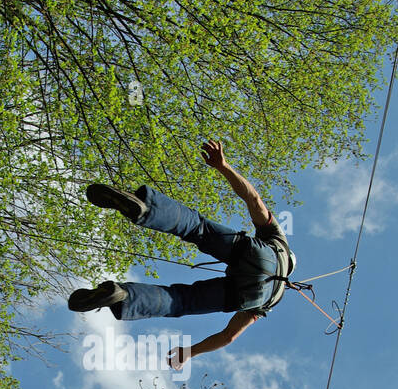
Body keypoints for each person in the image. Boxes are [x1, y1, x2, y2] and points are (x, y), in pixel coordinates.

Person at [68, 139, 295, 370]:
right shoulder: (268, 305)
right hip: (255, 297)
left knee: (196, 228)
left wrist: (222, 166)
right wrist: (189, 352)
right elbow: (228, 337)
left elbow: (254, 200)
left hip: (261, 253)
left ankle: (146, 209)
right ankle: (124, 296)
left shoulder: (279, 243)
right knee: (182, 302)